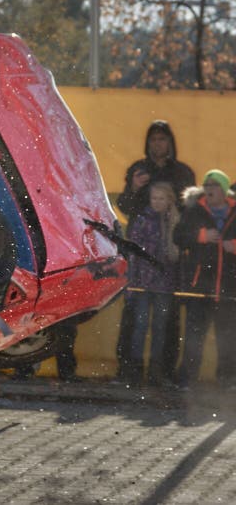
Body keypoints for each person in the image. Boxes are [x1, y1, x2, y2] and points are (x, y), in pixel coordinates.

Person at [115, 120, 195, 383]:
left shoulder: (182, 172)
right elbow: (125, 207)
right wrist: (135, 187)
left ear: (170, 142)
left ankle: (163, 373)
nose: (157, 144)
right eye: (153, 139)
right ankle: (128, 372)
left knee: (167, 323)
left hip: (168, 260)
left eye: (162, 139)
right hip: (140, 260)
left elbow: (190, 212)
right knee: (134, 321)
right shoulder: (138, 169)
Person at [174, 170, 236, 389]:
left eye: (214, 184)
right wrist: (201, 236)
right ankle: (187, 379)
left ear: (224, 188)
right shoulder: (194, 210)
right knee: (194, 335)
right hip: (200, 284)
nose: (209, 188)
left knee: (228, 337)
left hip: (229, 286)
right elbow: (178, 236)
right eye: (206, 184)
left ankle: (227, 380)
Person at [122, 182, 180, 386]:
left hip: (164, 283)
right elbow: (134, 253)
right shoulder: (142, 220)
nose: (157, 202)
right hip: (143, 282)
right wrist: (131, 281)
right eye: (154, 198)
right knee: (140, 325)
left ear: (169, 200)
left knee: (160, 328)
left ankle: (156, 371)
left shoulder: (174, 220)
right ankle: (136, 371)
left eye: (161, 198)